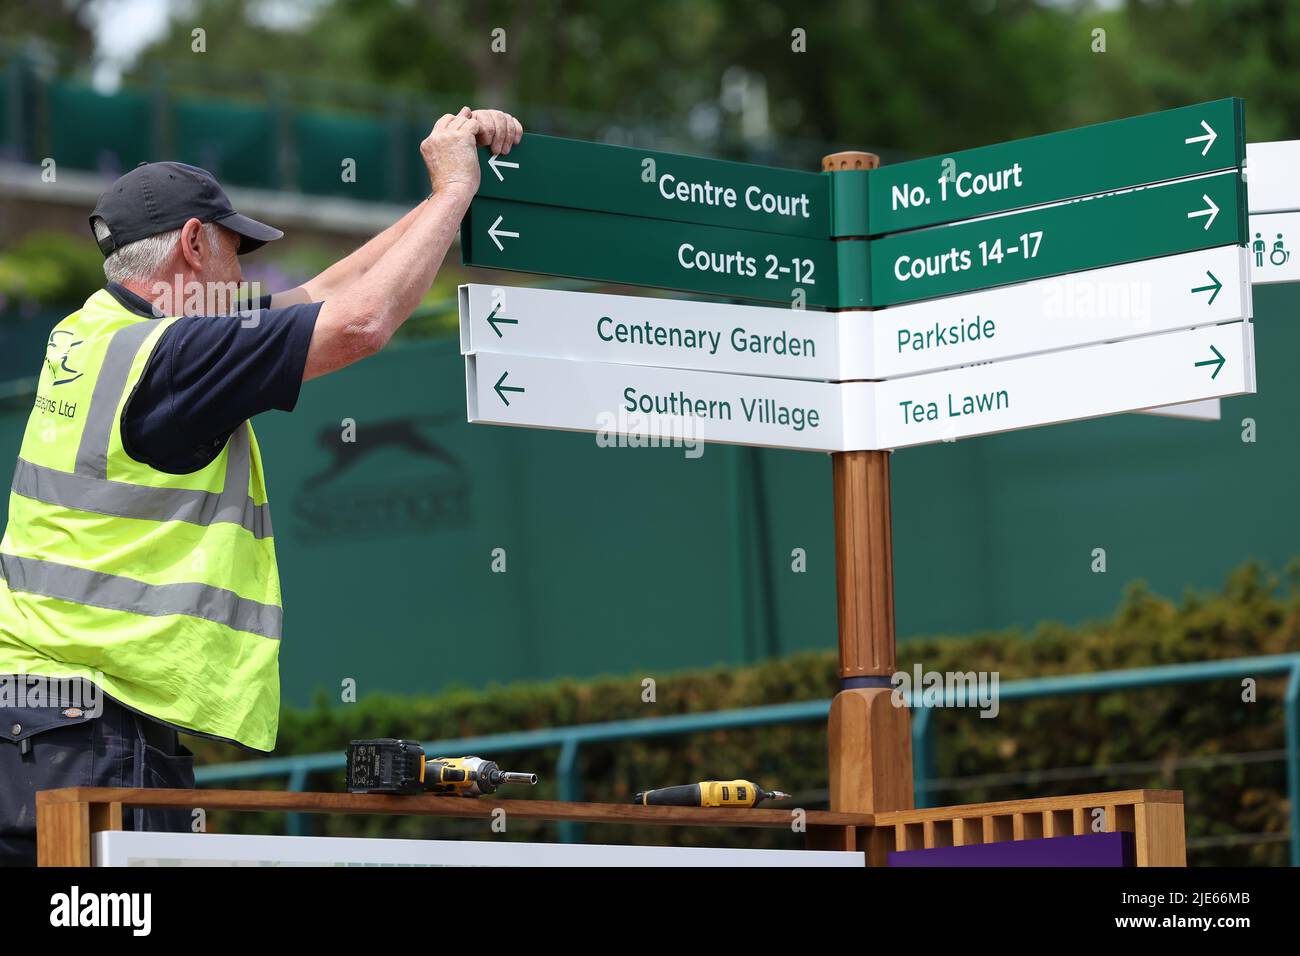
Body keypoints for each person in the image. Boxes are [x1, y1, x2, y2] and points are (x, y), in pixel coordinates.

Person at [0, 106, 522, 866]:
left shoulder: (92, 335)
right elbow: (361, 324)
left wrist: (448, 192)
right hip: (94, 734)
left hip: (42, 726)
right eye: (235, 252)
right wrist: (449, 195)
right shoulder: (173, 359)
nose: (243, 276)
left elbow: (316, 296)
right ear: (192, 243)